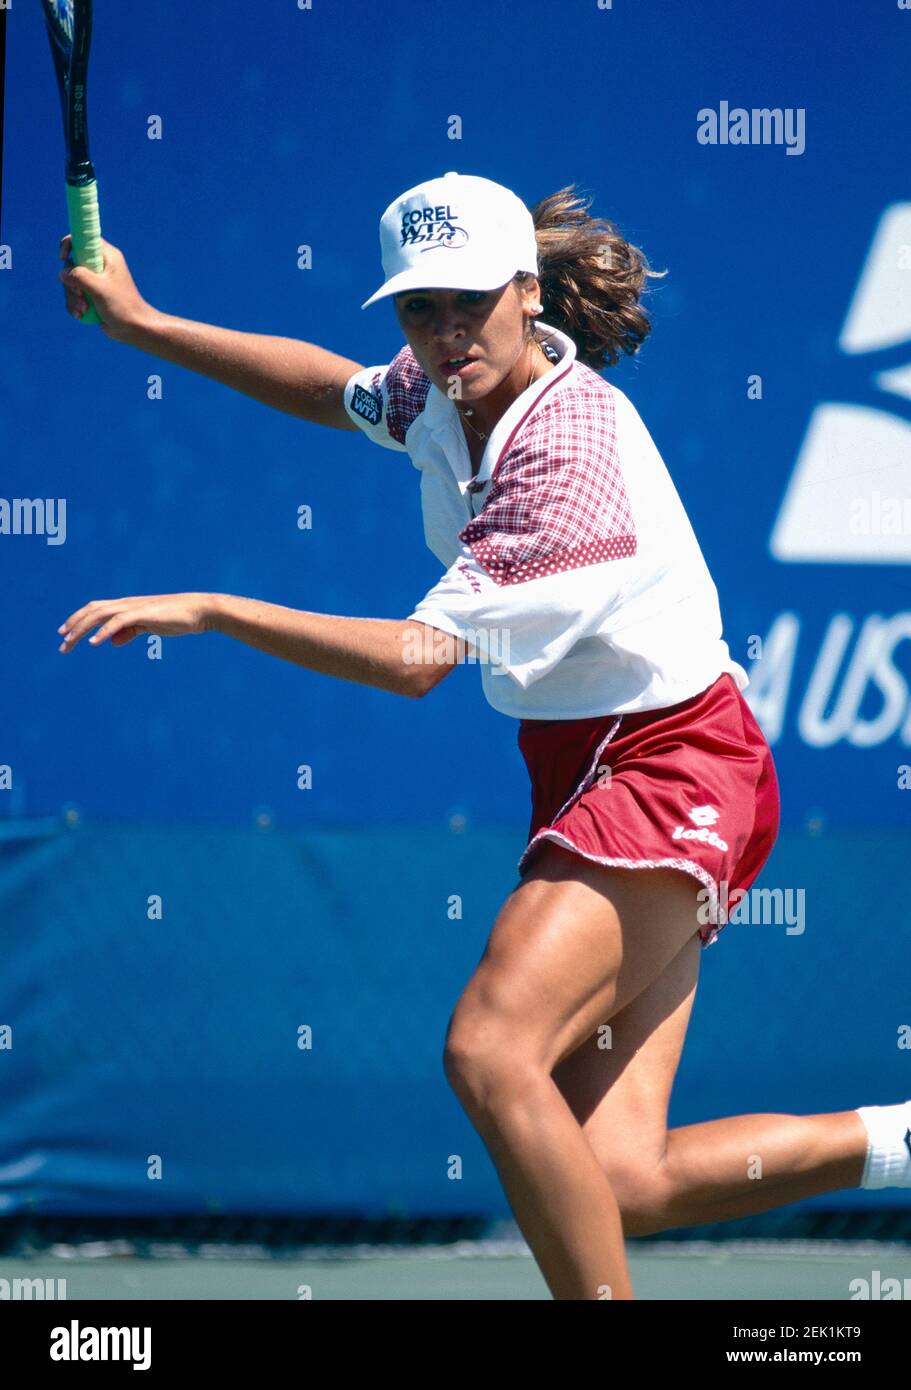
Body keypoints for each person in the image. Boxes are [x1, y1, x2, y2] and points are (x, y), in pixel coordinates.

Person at [57, 171, 911, 1301]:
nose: (444, 332)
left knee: (489, 1048)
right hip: (592, 764)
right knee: (619, 1179)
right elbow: (340, 391)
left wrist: (217, 610)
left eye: (468, 302)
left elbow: (418, 665)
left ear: (524, 291)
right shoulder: (445, 385)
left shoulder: (566, 463)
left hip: (670, 761)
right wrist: (149, 325)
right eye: (419, 308)